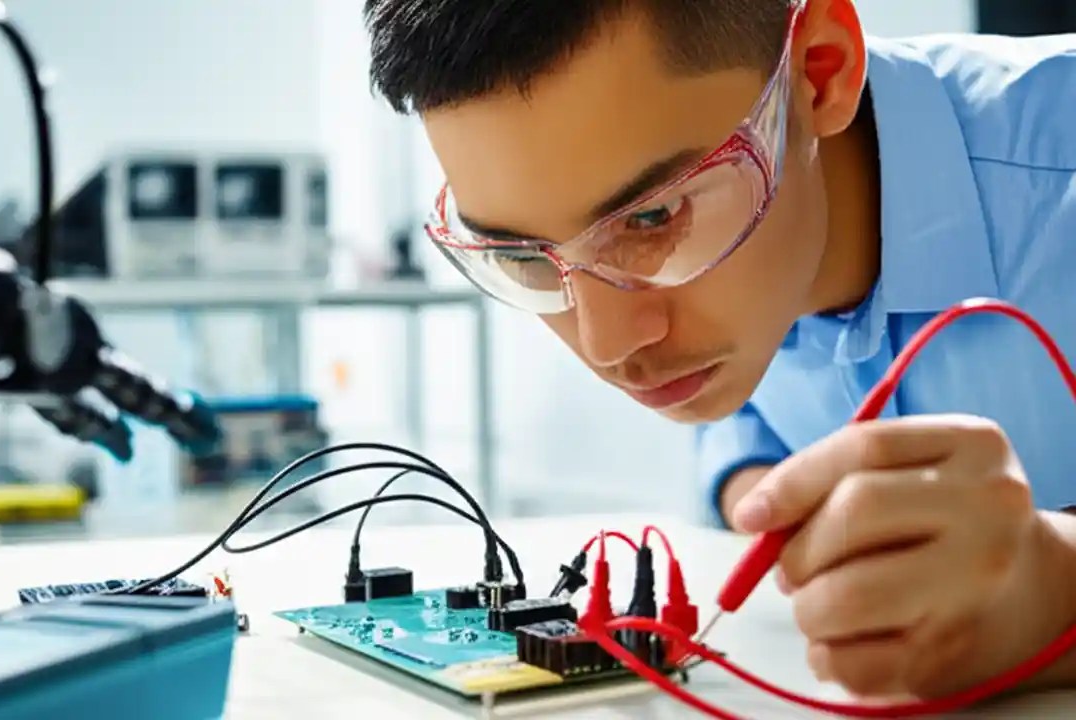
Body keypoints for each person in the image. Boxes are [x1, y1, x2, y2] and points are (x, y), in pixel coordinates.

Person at [362, 0, 1076, 703]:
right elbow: (740, 428)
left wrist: (1054, 593)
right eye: (521, 255)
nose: (608, 346)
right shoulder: (753, 256)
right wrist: (763, 493)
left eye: (654, 216)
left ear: (821, 74)